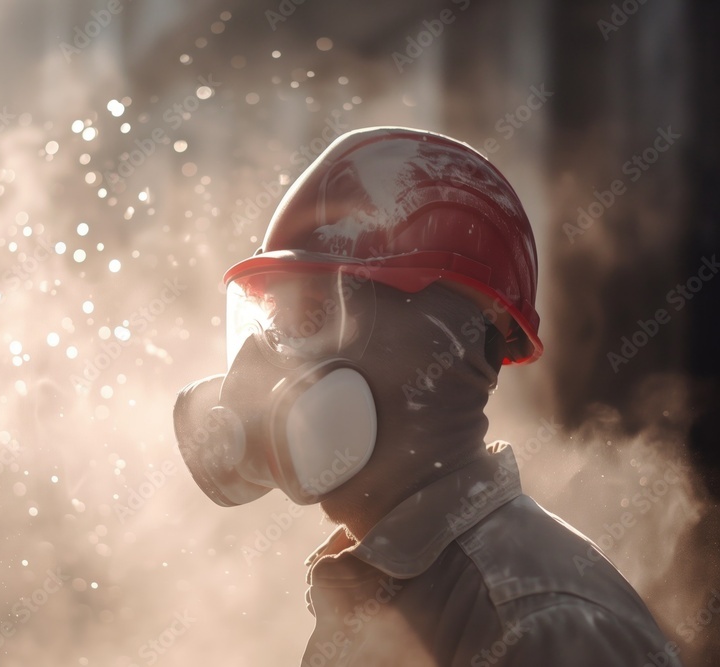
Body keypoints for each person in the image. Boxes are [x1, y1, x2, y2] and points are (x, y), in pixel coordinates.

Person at [172, 127, 683, 666]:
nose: (263, 369)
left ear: (456, 343)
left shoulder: (540, 627)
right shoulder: (387, 586)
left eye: (313, 314)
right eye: (275, 324)